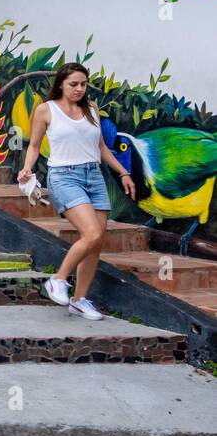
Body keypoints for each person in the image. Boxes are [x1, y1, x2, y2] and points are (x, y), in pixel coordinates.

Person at [17, 62, 136, 320]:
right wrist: (27, 168)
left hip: (94, 177)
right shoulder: (45, 110)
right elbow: (34, 145)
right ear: (61, 84)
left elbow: (102, 147)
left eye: (83, 84)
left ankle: (79, 300)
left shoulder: (92, 108)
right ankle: (57, 280)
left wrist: (124, 173)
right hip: (64, 177)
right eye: (74, 84)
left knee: (95, 242)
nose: (79, 89)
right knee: (91, 233)